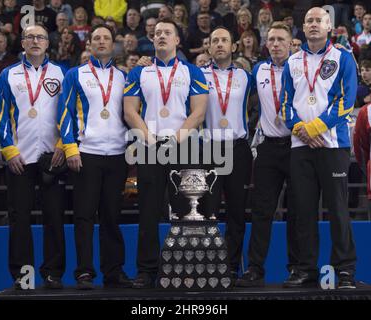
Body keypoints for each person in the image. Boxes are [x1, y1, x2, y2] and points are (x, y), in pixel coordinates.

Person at [123, 18, 208, 289]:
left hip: (184, 147)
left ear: (177, 40)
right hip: (150, 148)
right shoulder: (138, 73)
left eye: (167, 33)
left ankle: (184, 268)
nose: (161, 36)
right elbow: (129, 111)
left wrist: (175, 139)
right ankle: (147, 270)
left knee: (186, 211)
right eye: (157, 33)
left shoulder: (193, 71)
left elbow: (199, 112)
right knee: (148, 210)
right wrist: (150, 139)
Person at [281, 7, 357, 289]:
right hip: (301, 147)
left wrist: (313, 128)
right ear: (303, 26)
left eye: (319, 21)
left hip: (333, 144)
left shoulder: (343, 57)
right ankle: (306, 269)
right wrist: (300, 128)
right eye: (309, 20)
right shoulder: (292, 62)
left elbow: (346, 100)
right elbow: (285, 103)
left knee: (338, 208)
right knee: (303, 209)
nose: (314, 25)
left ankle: (345, 270)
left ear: (329, 27)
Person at [57, 24, 132, 290]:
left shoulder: (124, 77)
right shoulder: (75, 74)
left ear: (114, 45)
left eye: (106, 38)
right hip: (86, 154)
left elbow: (132, 113)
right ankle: (84, 272)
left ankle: (114, 271)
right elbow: (64, 113)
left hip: (117, 155)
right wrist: (70, 148)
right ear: (89, 43)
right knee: (84, 215)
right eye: (96, 38)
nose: (101, 42)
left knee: (112, 216)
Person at [0, 24, 66, 289]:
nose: (35, 41)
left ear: (48, 43)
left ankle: (53, 273)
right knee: (20, 218)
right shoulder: (8, 74)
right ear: (22, 43)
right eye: (30, 37)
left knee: (54, 216)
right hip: (20, 158)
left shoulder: (61, 73)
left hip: (52, 156)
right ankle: (23, 277)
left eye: (41, 37)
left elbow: (67, 113)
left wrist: (63, 145)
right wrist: (9, 151)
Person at [235, 22, 298, 287]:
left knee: (298, 212)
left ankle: (298, 268)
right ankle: (255, 268)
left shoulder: (300, 68)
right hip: (268, 148)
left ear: (291, 42)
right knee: (261, 211)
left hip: (297, 147)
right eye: (271, 39)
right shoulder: (259, 69)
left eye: (280, 39)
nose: (275, 44)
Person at [199, 26, 253, 283]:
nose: (219, 44)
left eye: (224, 40)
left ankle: (231, 266)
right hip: (208, 149)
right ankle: (209, 265)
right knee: (206, 210)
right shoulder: (196, 75)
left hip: (237, 149)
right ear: (209, 47)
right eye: (214, 40)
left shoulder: (245, 76)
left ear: (234, 47)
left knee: (236, 211)